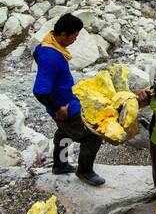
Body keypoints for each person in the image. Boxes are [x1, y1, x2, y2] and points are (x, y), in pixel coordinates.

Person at [32, 13, 105, 186]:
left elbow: (36, 55)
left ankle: (60, 164)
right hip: (64, 106)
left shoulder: (47, 42)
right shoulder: (52, 56)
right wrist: (58, 108)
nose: (75, 39)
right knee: (92, 136)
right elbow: (39, 91)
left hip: (66, 100)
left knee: (64, 132)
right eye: (74, 36)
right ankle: (85, 171)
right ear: (64, 34)